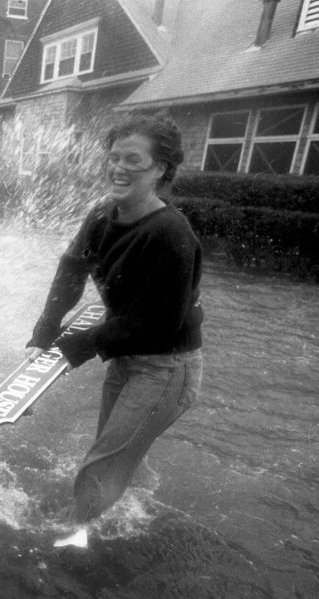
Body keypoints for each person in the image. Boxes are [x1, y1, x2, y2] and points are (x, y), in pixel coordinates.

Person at [25, 111, 204, 546]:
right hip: (127, 358)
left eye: (133, 160)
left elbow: (158, 323)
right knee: (119, 456)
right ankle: (136, 524)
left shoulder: (170, 234)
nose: (119, 168)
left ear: (160, 169)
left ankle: (69, 545)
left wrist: (78, 346)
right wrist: (45, 331)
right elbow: (71, 271)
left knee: (99, 467)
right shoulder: (102, 215)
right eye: (114, 158)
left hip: (166, 367)